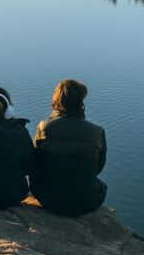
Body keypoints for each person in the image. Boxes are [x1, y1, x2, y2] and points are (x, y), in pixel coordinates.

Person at [31, 79, 107, 215]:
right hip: (88, 202)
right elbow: (98, 168)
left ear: (57, 101)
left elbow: (34, 163)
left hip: (49, 199)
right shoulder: (97, 131)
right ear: (81, 102)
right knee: (101, 185)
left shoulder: (45, 127)